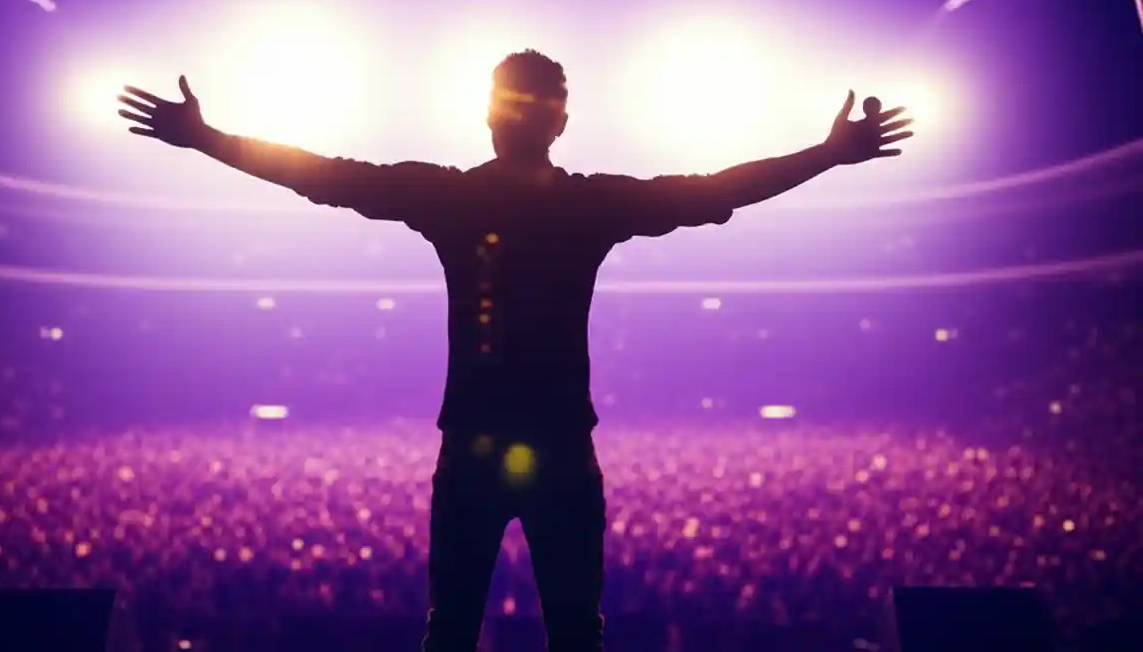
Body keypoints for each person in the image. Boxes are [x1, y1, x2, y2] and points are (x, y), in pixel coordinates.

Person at [117, 50, 912, 651]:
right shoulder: (589, 204)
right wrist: (826, 154)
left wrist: (208, 140)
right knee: (572, 630)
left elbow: (321, 177)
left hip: (474, 444)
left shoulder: (451, 197)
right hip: (562, 444)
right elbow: (717, 190)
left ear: (491, 118)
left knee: (453, 627)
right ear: (559, 122)